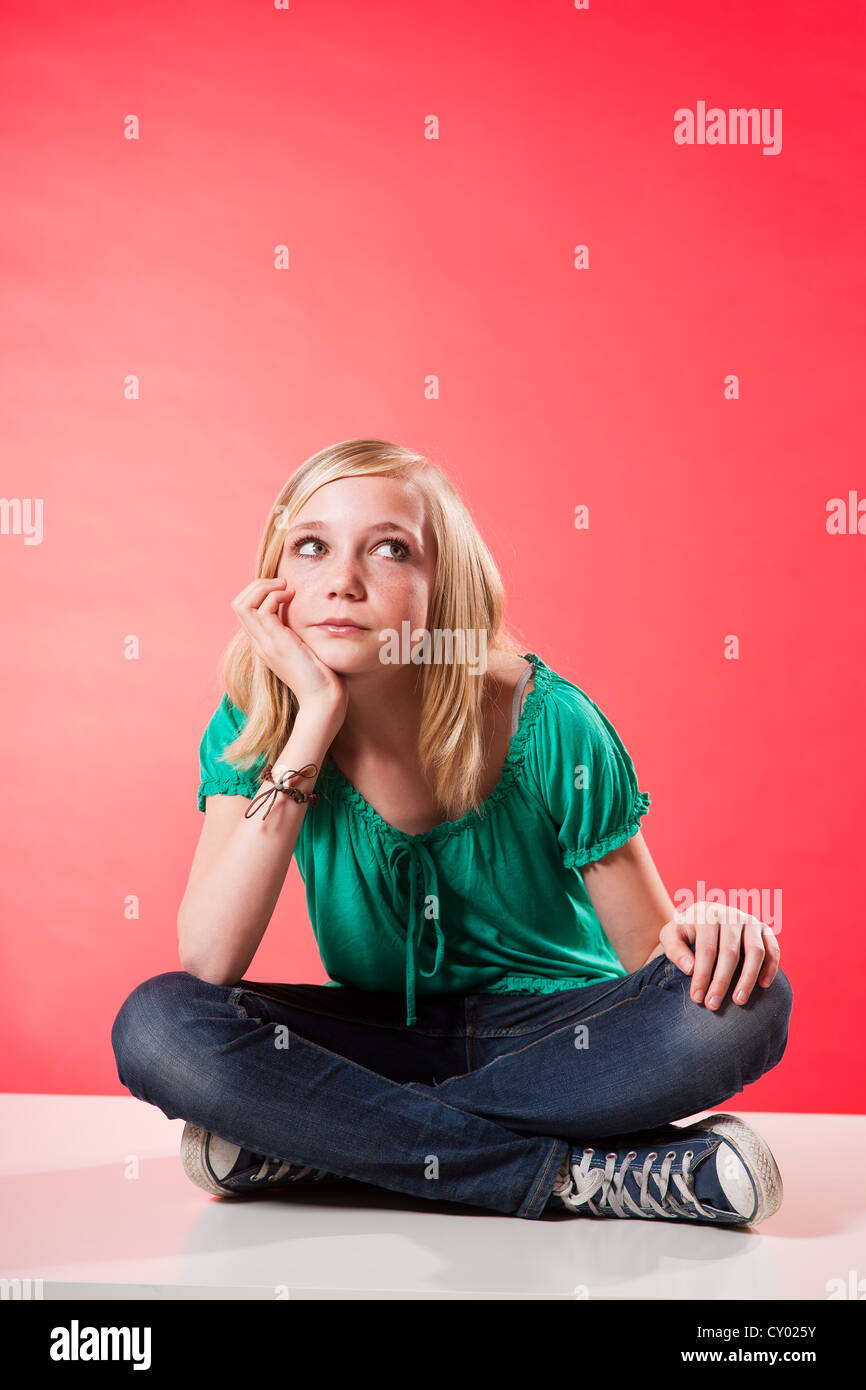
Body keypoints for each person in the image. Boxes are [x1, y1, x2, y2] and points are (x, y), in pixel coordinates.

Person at [111, 438, 793, 1224]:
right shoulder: (261, 721)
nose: (341, 582)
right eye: (312, 547)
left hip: (560, 1044)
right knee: (159, 1024)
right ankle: (581, 1175)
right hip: (372, 1035)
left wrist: (709, 930)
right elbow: (209, 957)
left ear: (447, 585)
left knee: (751, 1002)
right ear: (276, 575)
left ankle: (330, 1140)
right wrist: (314, 723)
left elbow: (650, 957)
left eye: (391, 550)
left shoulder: (549, 722)